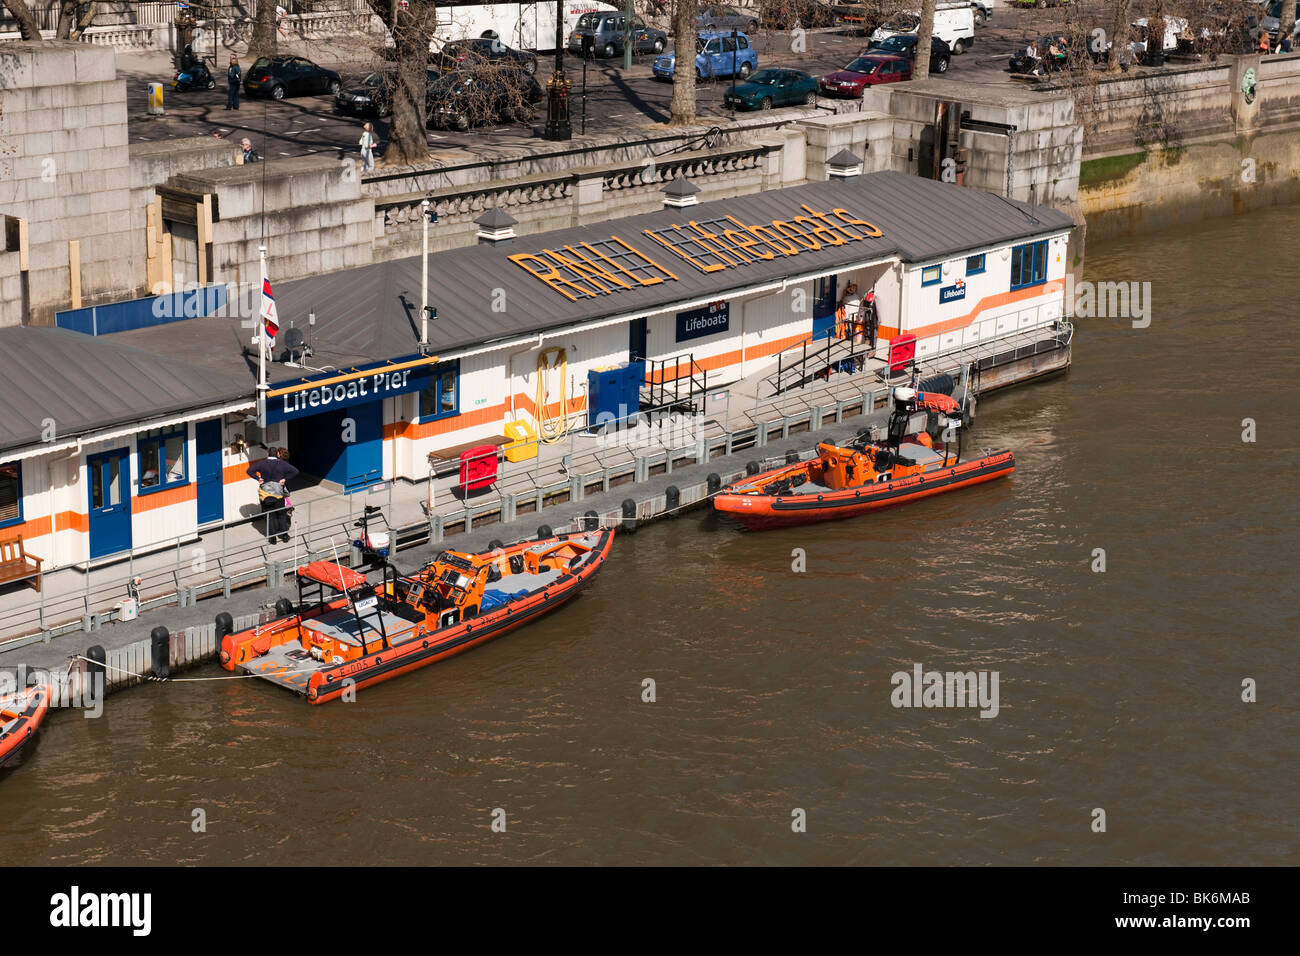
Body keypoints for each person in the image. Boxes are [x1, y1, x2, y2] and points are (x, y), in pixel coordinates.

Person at [247, 447, 299, 543]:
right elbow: (295, 471)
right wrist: (284, 479)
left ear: (268, 454)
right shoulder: (283, 464)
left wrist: (258, 478)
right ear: (278, 454)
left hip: (266, 495)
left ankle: (272, 538)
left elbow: (249, 471)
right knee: (281, 515)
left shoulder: (261, 463)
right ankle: (284, 536)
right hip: (278, 495)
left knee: (269, 516)